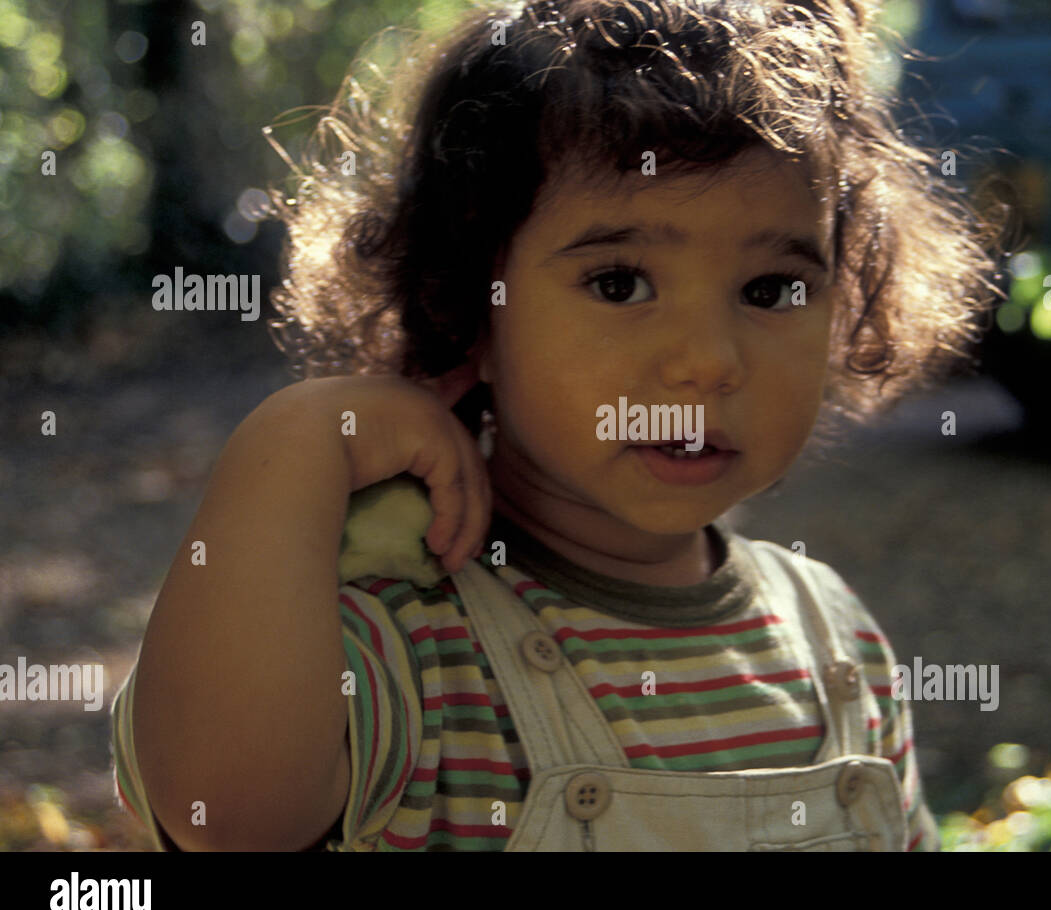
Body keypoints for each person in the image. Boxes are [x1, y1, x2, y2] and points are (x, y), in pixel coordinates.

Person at [110, 0, 999, 851]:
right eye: (619, 283)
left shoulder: (838, 642)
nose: (708, 360)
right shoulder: (409, 635)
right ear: (471, 307)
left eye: (769, 290)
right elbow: (222, 816)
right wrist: (295, 442)